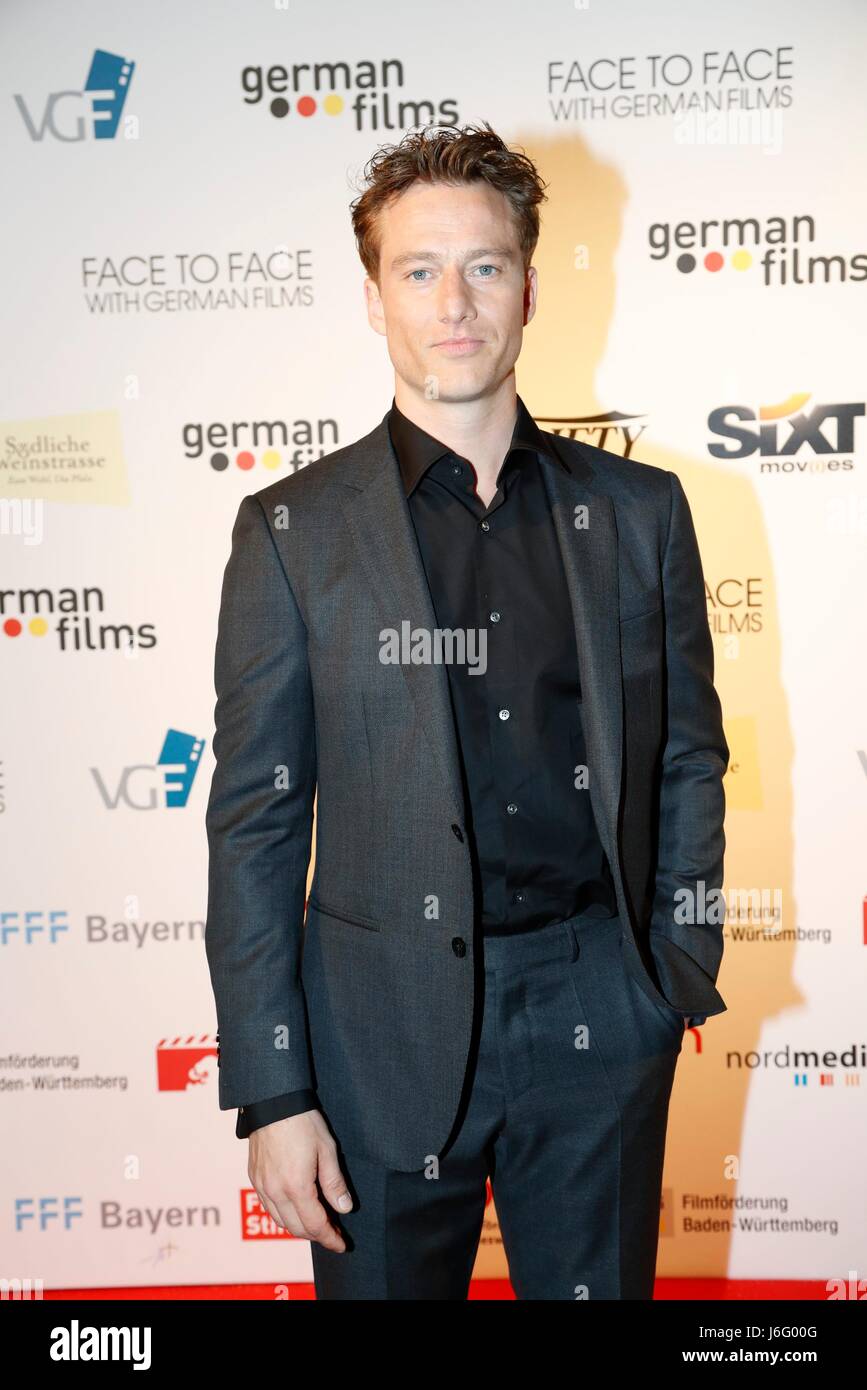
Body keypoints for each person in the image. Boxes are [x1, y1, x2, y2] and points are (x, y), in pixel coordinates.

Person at [204, 121, 729, 1300]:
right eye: (419, 269)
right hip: (373, 1032)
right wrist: (275, 1089)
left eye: (485, 265)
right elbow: (254, 825)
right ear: (374, 298)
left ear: (529, 288)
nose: (454, 302)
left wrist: (670, 971)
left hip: (599, 1013)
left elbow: (690, 758)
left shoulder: (639, 512)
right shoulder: (293, 533)